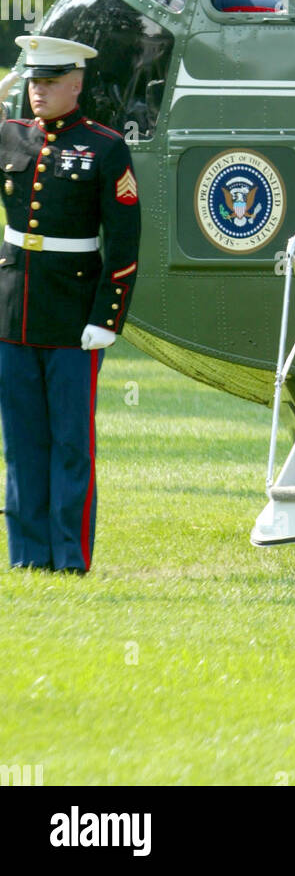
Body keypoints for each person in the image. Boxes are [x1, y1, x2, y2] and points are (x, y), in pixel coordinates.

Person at [0, 36, 141, 572]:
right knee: (21, 442)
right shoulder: (9, 137)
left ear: (76, 83)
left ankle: (70, 555)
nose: (39, 91)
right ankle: (28, 556)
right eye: (34, 81)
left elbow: (124, 243)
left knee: (70, 444)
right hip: (12, 310)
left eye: (51, 81)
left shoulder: (105, 147)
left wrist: (107, 317)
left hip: (73, 313)